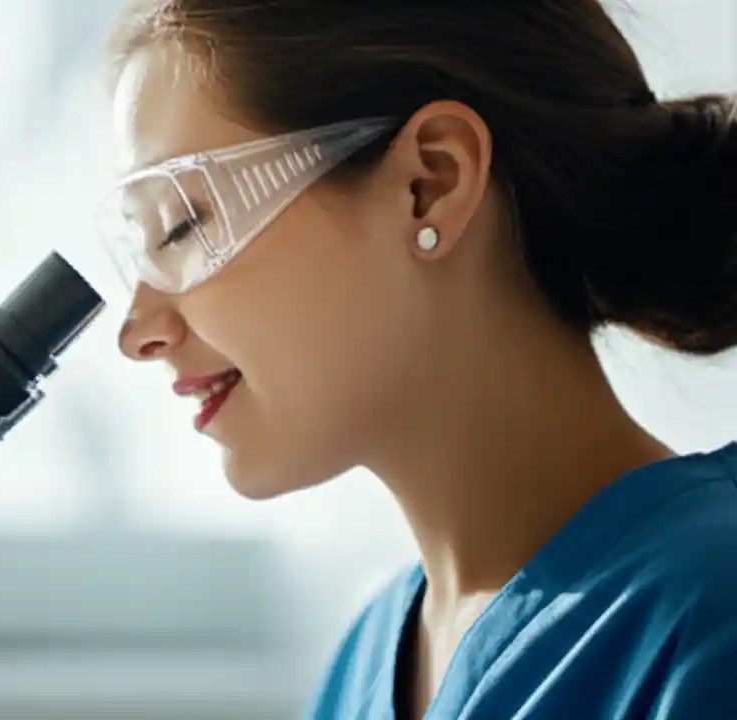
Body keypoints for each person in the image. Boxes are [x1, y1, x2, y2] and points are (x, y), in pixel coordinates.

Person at [96, 1, 737, 718]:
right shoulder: (365, 662)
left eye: (183, 224)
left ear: (430, 182)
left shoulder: (710, 617)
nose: (139, 332)